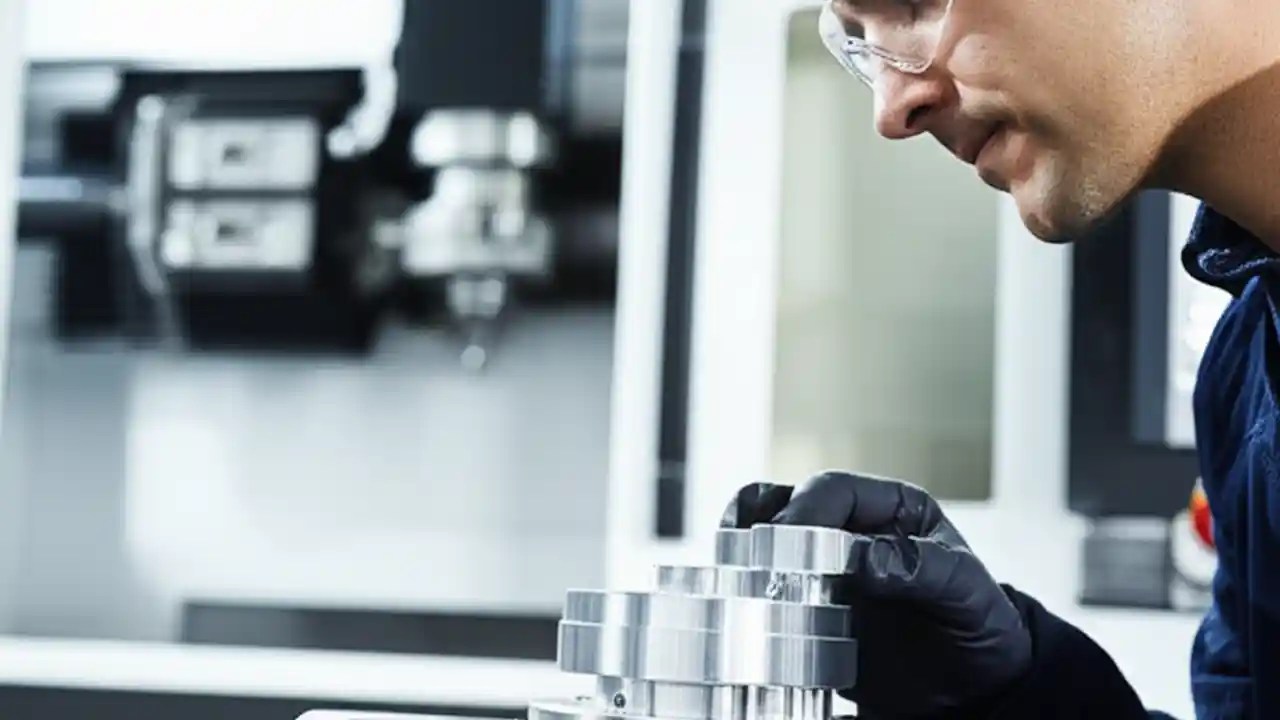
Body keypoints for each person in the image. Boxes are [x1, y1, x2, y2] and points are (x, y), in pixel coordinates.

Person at [723, 1, 1280, 718]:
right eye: (858, 45)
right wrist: (1016, 693)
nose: (892, 111)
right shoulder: (1244, 373)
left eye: (912, 2)